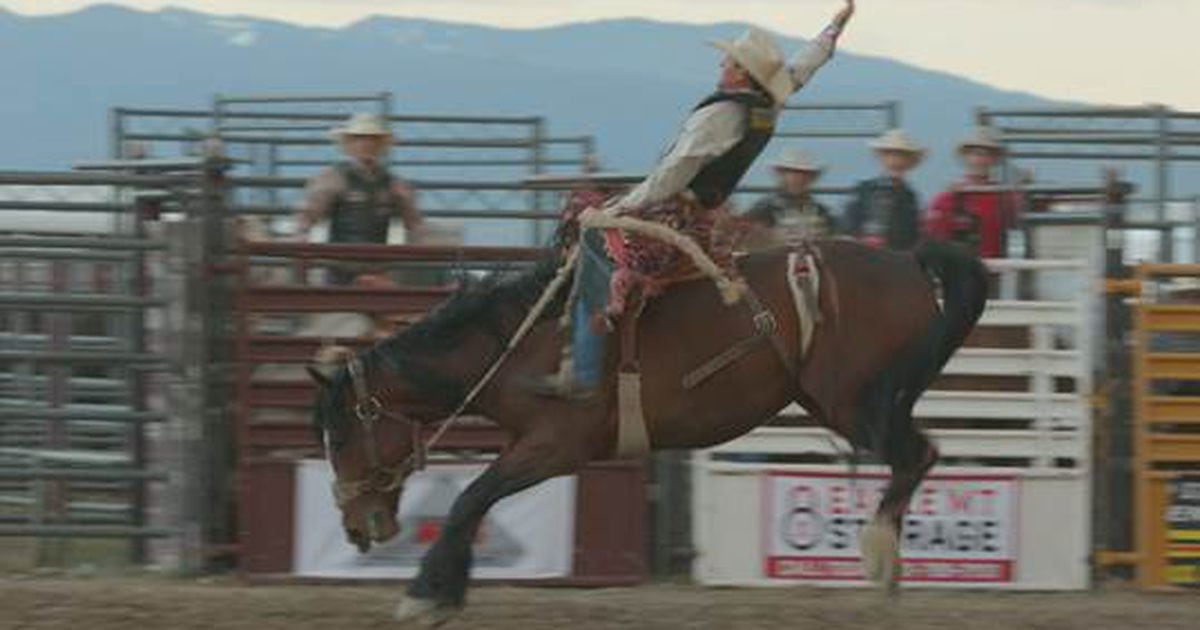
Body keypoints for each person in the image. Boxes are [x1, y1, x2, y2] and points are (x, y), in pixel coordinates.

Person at [531, 0, 857, 400]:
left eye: (730, 62)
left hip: (676, 215)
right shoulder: (767, 104)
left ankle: (582, 369)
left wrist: (620, 207)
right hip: (708, 216)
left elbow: (676, 169)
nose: (722, 67)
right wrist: (833, 30)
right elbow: (801, 68)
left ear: (742, 74)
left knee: (593, 242)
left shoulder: (720, 115)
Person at [296, 113, 425, 284]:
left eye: (372, 139)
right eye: (359, 139)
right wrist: (302, 238)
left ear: (380, 145)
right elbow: (308, 215)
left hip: (377, 269)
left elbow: (414, 223)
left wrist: (407, 256)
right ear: (349, 144)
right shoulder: (333, 179)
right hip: (340, 267)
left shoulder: (394, 184)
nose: (366, 144)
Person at [926, 126, 1022, 258]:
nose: (980, 160)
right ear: (966, 157)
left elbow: (1021, 222)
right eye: (975, 153)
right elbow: (935, 236)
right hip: (960, 270)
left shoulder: (1005, 197)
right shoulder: (948, 198)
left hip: (994, 269)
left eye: (987, 154)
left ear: (994, 160)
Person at [843, 129, 926, 250]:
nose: (896, 160)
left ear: (909, 162)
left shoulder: (910, 197)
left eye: (901, 155)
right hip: (862, 255)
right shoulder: (864, 190)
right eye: (890, 154)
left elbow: (913, 234)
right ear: (882, 158)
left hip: (895, 259)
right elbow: (849, 225)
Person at [742, 147, 835, 249]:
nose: (798, 179)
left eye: (804, 174)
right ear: (782, 175)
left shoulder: (822, 212)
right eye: (793, 173)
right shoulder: (764, 209)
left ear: (811, 178)